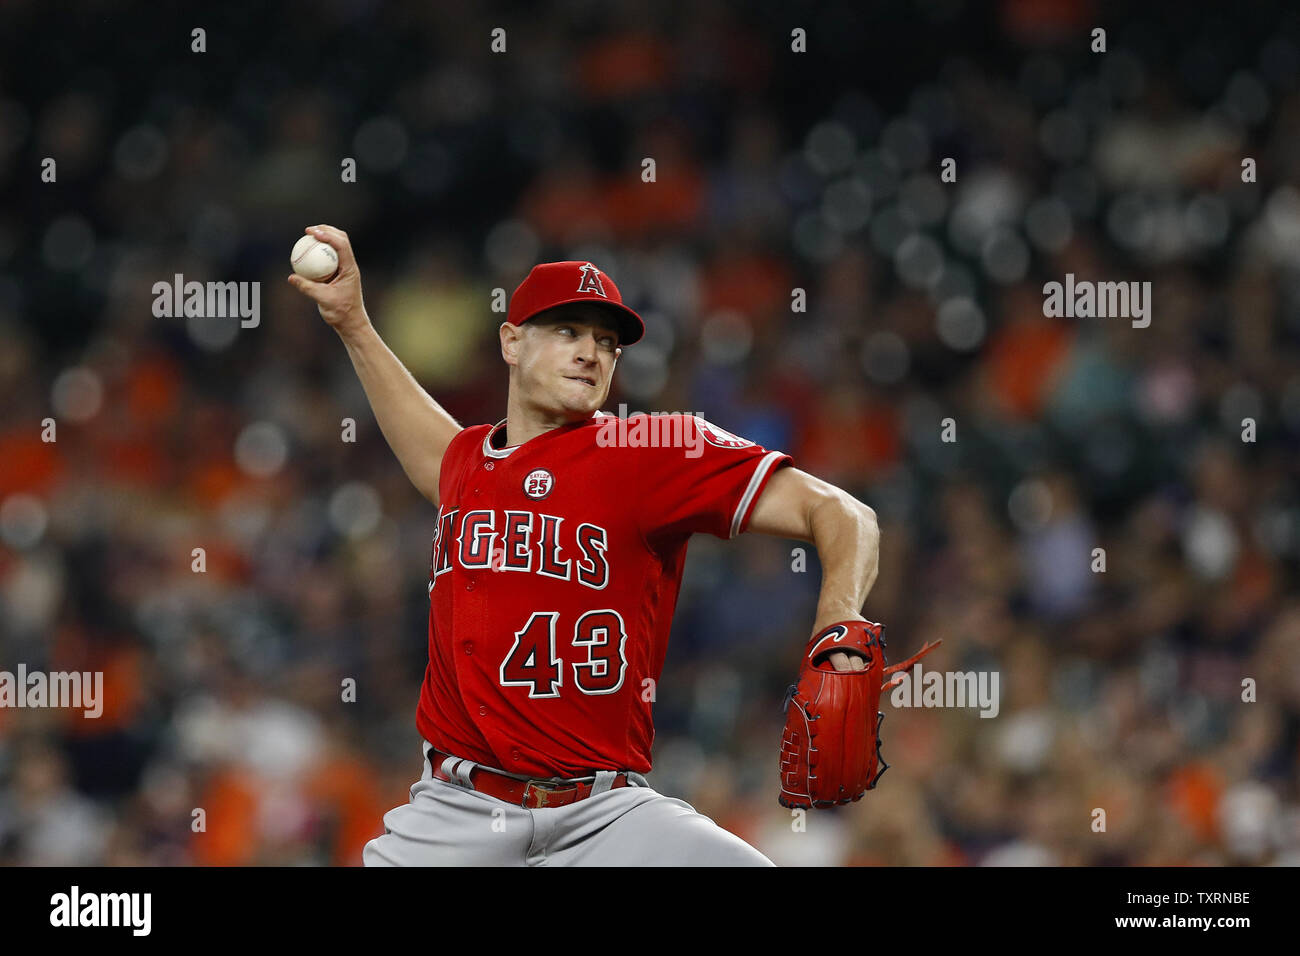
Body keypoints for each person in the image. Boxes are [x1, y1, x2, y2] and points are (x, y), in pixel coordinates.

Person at [288, 225, 883, 866]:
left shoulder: (649, 450)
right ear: (511, 342)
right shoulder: (467, 465)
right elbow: (432, 443)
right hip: (456, 813)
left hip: (604, 816)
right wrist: (353, 324)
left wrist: (838, 621)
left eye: (606, 342)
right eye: (567, 331)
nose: (590, 353)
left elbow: (843, 512)